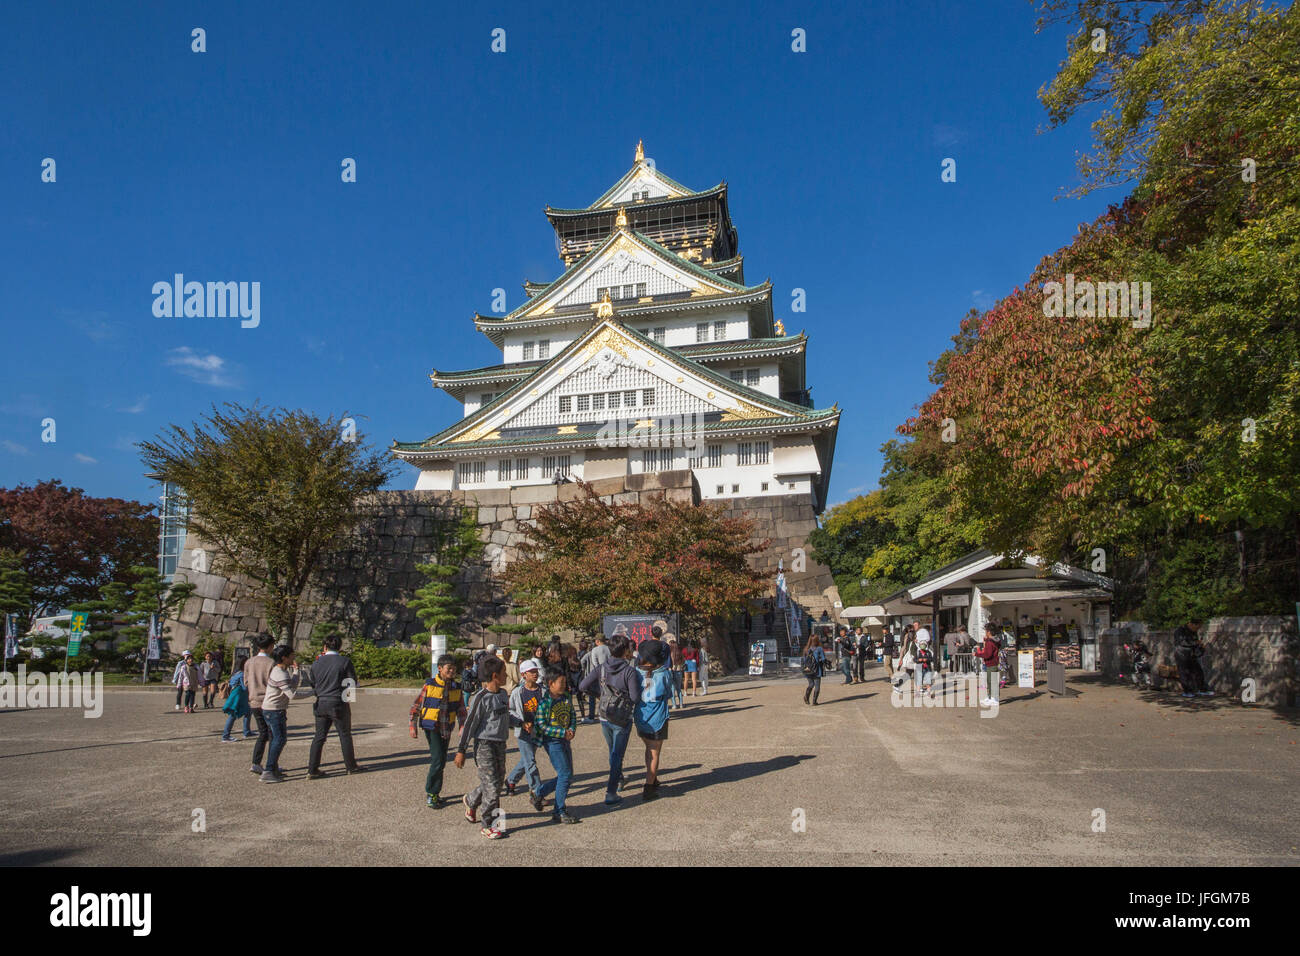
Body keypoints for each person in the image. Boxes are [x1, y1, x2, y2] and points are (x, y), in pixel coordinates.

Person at [579, 633, 641, 806]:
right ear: (625, 651)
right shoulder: (629, 671)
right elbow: (635, 697)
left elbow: (583, 686)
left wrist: (599, 695)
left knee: (612, 750)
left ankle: (619, 778)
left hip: (605, 714)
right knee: (617, 754)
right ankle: (611, 791)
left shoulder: (602, 669)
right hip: (622, 717)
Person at [456, 656, 510, 838]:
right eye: (504, 673)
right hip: (484, 746)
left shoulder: (503, 695)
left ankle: (471, 800)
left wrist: (522, 722)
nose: (506, 676)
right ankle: (489, 824)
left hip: (500, 744)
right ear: (495, 676)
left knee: (496, 783)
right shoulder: (480, 698)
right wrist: (461, 750)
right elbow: (469, 725)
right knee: (493, 788)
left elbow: (506, 717)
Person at [409, 654, 467, 809]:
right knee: (438, 759)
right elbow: (416, 706)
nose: (452, 670)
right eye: (449, 668)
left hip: (446, 727)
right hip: (432, 727)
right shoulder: (429, 685)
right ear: (440, 668)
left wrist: (463, 726)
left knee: (440, 761)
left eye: (454, 667)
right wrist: (412, 726)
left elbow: (461, 709)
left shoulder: (456, 687)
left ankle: (436, 792)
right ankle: (431, 793)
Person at [307, 632, 362, 778]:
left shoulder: (316, 663)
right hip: (338, 701)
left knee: (319, 736)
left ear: (325, 646)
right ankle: (351, 766)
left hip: (321, 702)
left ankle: (312, 769)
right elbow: (351, 683)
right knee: (344, 735)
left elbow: (312, 683)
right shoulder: (344, 661)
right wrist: (348, 699)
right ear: (339, 647)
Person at [533, 666, 580, 824]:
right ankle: (559, 811)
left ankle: (539, 792)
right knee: (565, 774)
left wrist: (572, 729)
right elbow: (541, 725)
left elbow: (572, 715)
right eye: (561, 682)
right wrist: (561, 733)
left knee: (567, 775)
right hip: (552, 742)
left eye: (565, 682)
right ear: (551, 683)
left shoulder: (566, 696)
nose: (564, 685)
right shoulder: (545, 702)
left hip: (565, 739)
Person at [634, 641, 673, 800]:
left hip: (641, 715)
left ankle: (652, 776)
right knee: (654, 752)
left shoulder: (636, 672)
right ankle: (648, 787)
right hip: (658, 717)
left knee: (648, 749)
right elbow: (668, 694)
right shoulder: (664, 673)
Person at [506, 659, 544, 807]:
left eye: (536, 671)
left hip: (538, 730)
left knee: (527, 760)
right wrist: (521, 723)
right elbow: (511, 710)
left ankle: (511, 780)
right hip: (523, 732)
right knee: (531, 762)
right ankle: (536, 792)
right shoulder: (518, 692)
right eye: (532, 672)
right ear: (523, 674)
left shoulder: (542, 690)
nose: (535, 674)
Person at [260, 645, 301, 783]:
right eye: (291, 655)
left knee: (275, 740)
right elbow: (292, 694)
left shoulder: (281, 671)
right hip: (274, 711)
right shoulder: (280, 673)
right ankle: (269, 770)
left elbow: (291, 686)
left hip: (273, 710)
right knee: (279, 739)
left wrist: (296, 671)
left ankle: (273, 768)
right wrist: (314, 693)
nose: (293, 657)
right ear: (284, 657)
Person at [245, 634, 276, 776]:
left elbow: (246, 682)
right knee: (273, 734)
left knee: (263, 733)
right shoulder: (271, 663)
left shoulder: (249, 662)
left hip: (254, 701)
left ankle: (257, 763)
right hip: (268, 702)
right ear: (270, 646)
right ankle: (271, 765)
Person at [1173, 619, 1213, 698]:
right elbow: (1182, 642)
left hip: (1191, 654)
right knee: (1184, 673)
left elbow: (1195, 642)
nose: (1198, 629)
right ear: (1191, 624)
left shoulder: (1193, 632)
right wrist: (1195, 643)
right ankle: (1187, 691)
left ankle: (1201, 689)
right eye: (1197, 627)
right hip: (1181, 654)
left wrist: (1200, 647)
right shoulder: (1180, 631)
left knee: (1198, 672)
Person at [220, 657, 252, 741]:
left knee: (248, 712)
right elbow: (244, 687)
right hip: (238, 697)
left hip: (239, 696)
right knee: (233, 715)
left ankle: (247, 731)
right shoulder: (241, 674)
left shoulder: (235, 673)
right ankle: (225, 736)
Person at [974, 623, 1002, 707]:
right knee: (990, 681)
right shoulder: (995, 640)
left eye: (986, 631)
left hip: (991, 663)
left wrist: (976, 654)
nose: (985, 632)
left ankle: (994, 699)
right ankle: (990, 697)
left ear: (989, 632)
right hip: (993, 663)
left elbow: (987, 654)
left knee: (992, 682)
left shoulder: (990, 642)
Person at [801, 634, 827, 705]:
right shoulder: (819, 649)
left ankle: (806, 697)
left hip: (808, 669)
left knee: (811, 684)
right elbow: (823, 659)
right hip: (817, 670)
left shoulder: (806, 649)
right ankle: (814, 701)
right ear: (817, 640)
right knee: (817, 686)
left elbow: (804, 660)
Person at [914, 632, 936, 698]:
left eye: (924, 644)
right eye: (921, 644)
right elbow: (914, 659)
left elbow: (932, 659)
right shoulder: (917, 652)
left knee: (928, 681)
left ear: (926, 645)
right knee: (919, 681)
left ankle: (928, 693)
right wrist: (919, 660)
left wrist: (926, 660)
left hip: (928, 668)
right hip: (920, 668)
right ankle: (917, 693)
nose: (922, 645)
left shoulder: (928, 652)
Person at [667, 639, 686, 708]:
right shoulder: (679, 653)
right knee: (678, 689)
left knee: (672, 689)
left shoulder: (670, 654)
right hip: (679, 671)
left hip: (671, 671)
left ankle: (674, 705)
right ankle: (681, 704)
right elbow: (684, 661)